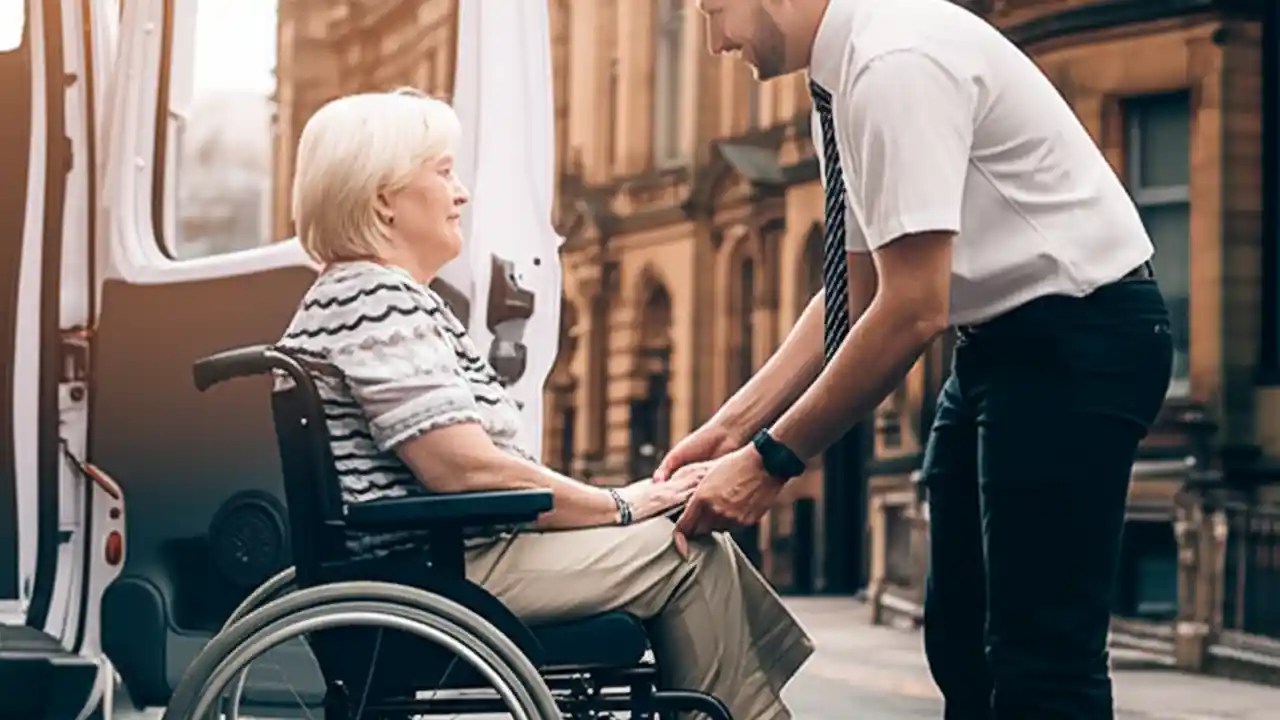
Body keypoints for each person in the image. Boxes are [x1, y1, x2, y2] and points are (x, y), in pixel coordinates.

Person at [665, 1, 1174, 718]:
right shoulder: (840, 81)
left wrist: (772, 460)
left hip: (1078, 335)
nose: (716, 42)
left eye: (716, 11)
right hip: (1002, 346)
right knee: (961, 644)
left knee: (1041, 661)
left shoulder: (892, 62)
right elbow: (854, 294)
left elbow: (910, 313)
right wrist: (731, 428)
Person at [275, 87, 814, 720]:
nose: (461, 193)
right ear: (383, 201)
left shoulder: (351, 297)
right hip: (442, 573)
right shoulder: (380, 302)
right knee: (686, 551)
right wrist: (619, 504)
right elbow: (464, 470)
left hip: (432, 564)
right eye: (443, 173)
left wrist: (625, 506)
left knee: (685, 534)